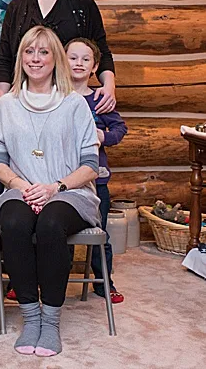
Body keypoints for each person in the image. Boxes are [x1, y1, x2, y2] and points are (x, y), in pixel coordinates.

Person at [0, 26, 101, 357]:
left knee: (51, 223)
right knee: (14, 222)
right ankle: (31, 317)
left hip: (69, 192)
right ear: (21, 57)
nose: (35, 59)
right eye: (29, 51)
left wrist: (55, 187)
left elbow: (91, 165)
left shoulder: (75, 103)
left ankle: (50, 321)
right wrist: (23, 186)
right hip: (20, 189)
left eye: (43, 52)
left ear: (56, 59)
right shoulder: (7, 104)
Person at [66, 37, 127, 304]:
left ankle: (105, 282)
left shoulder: (100, 98)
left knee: (100, 235)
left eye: (85, 59)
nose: (79, 63)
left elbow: (120, 129)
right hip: (62, 179)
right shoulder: (56, 97)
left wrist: (103, 136)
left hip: (96, 182)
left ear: (94, 66)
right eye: (73, 57)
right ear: (61, 60)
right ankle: (51, 278)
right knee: (57, 234)